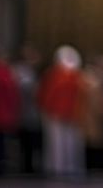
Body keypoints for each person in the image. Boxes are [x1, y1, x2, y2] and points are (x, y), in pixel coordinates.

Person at [37, 45, 86, 178]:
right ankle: (69, 167)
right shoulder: (78, 77)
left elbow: (46, 95)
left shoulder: (54, 75)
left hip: (56, 113)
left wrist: (46, 109)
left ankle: (57, 167)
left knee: (57, 143)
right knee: (69, 143)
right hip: (71, 114)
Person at [12, 46, 42, 174]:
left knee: (31, 142)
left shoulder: (33, 71)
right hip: (24, 112)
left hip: (31, 113)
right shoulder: (21, 71)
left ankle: (29, 165)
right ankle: (26, 167)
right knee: (26, 142)